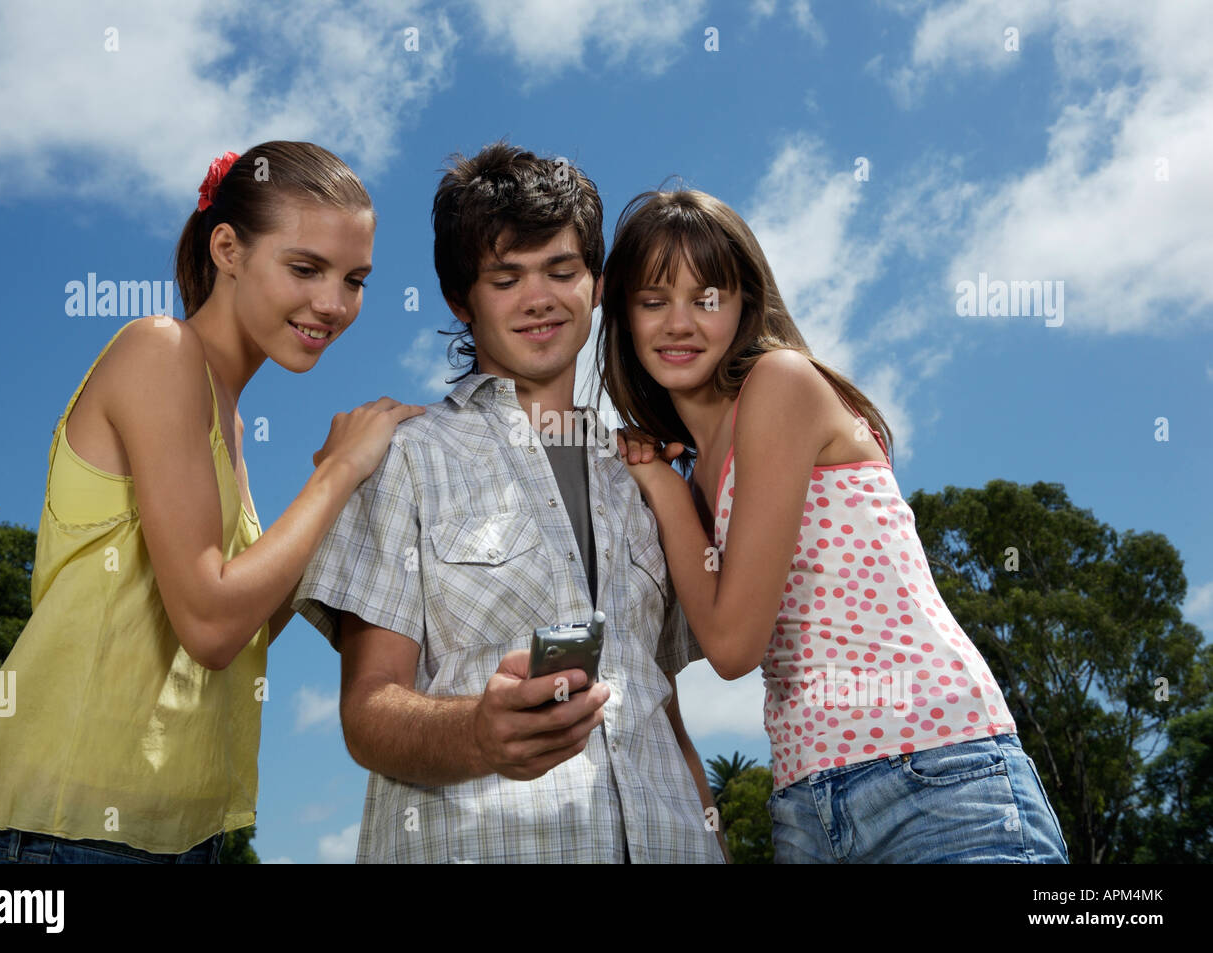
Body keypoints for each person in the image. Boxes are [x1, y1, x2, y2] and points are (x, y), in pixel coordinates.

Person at [0, 142, 423, 863]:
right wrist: (336, 476)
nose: (333, 303)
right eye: (305, 267)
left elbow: (242, 625)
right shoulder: (160, 351)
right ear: (227, 248)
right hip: (67, 833)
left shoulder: (226, 416)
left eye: (354, 279)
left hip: (177, 837)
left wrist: (340, 485)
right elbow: (209, 621)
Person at [600, 187, 1070, 864]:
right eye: (652, 300)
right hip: (804, 804)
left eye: (707, 297)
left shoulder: (780, 384)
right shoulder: (697, 472)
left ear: (743, 305)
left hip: (936, 775)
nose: (680, 322)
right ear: (622, 315)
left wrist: (659, 488)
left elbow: (731, 643)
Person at [292, 143, 725, 863]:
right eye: (506, 278)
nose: (539, 299)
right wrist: (476, 732)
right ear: (463, 301)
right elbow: (367, 708)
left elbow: (663, 708)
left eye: (562, 269)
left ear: (597, 284)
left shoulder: (646, 475)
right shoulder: (404, 454)